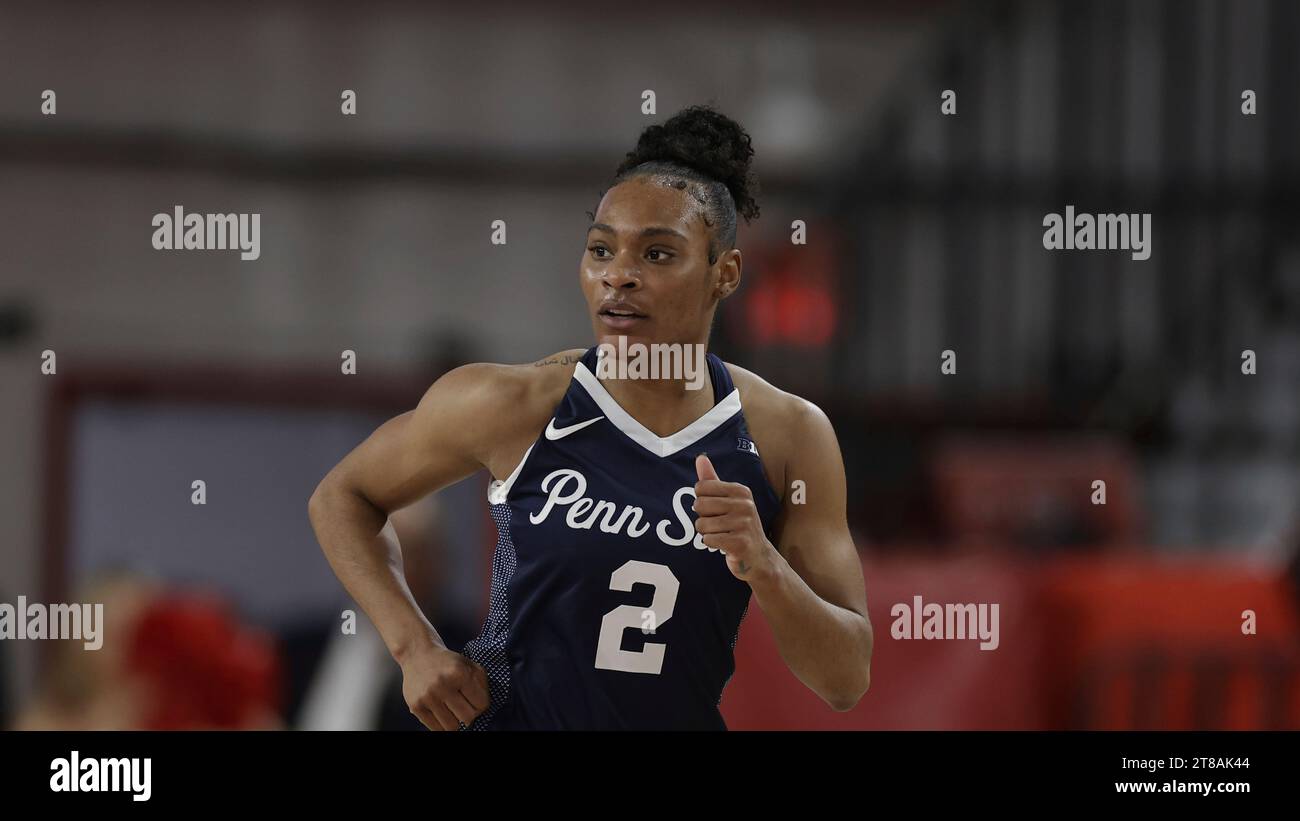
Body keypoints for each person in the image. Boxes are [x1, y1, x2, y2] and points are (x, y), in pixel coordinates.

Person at [309, 104, 872, 730]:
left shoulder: (788, 435)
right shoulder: (512, 404)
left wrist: (763, 563)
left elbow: (846, 678)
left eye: (658, 255)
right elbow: (342, 497)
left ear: (725, 274)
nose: (619, 277)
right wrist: (413, 646)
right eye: (601, 250)